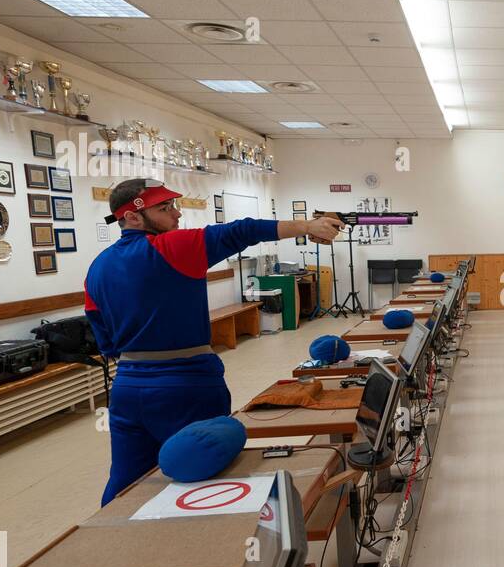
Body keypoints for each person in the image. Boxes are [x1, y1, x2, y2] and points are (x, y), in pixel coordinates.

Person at [84, 178, 343, 505]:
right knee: (206, 480)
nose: (177, 214)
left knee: (126, 482)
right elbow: (241, 231)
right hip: (186, 385)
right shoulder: (170, 247)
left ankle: (113, 544)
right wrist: (308, 225)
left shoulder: (97, 268)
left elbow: (103, 338)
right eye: (164, 208)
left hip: (127, 388)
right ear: (133, 217)